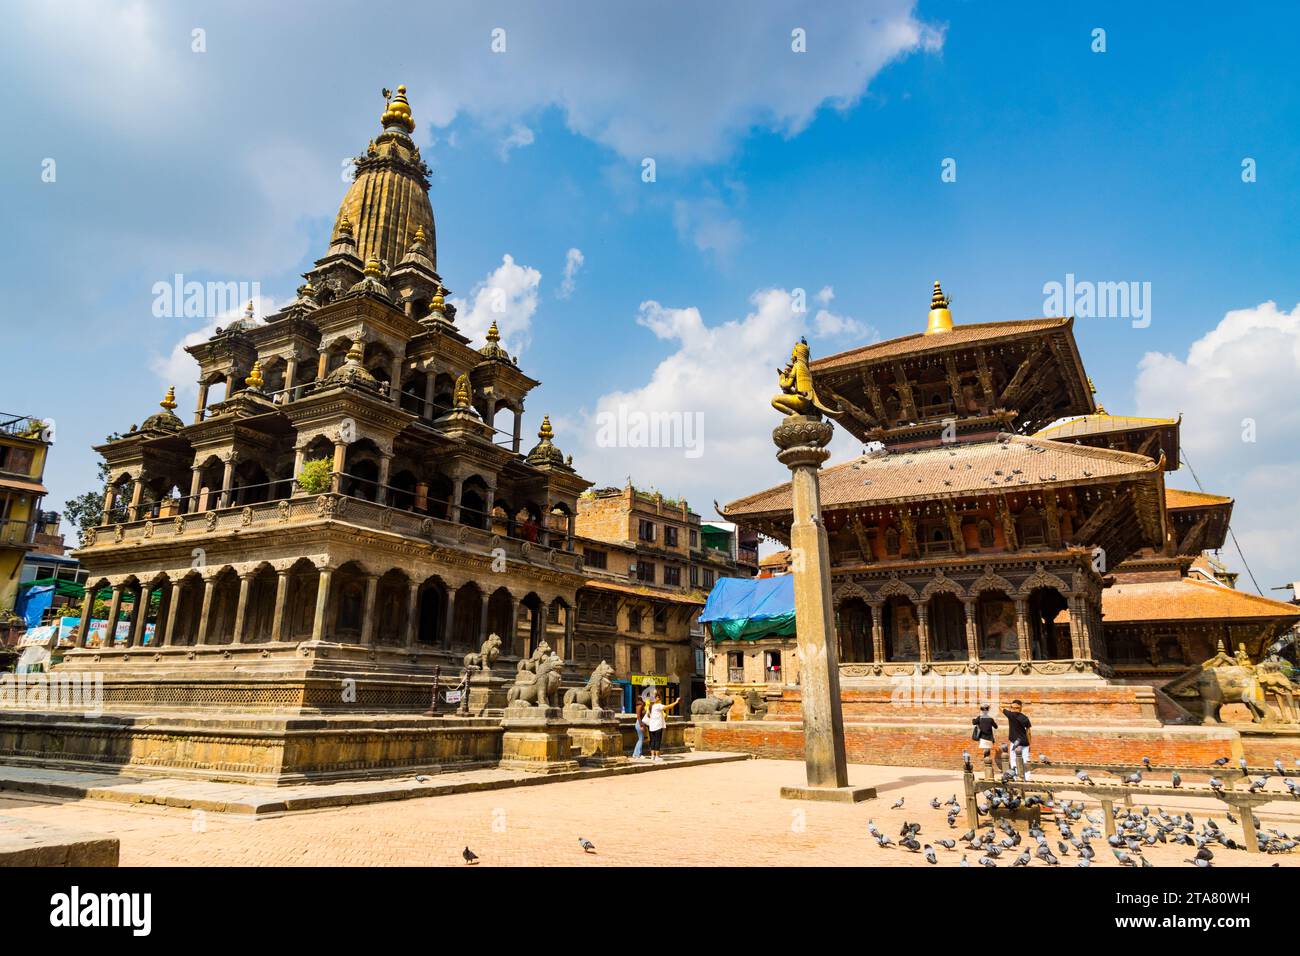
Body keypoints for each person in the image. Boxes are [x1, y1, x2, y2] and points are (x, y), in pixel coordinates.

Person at [646, 689, 680, 763]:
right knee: (657, 741)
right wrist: (676, 702)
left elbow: (648, 715)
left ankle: (652, 755)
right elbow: (669, 706)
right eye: (657, 697)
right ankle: (657, 756)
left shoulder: (650, 706)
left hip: (651, 726)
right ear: (656, 698)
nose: (658, 698)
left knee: (652, 741)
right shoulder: (658, 706)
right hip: (658, 725)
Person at [1002, 699, 1032, 779]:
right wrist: (1029, 744)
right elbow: (1028, 732)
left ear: (1020, 708)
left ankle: (1015, 778)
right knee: (1025, 761)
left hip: (1015, 742)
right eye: (1013, 708)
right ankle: (1027, 779)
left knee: (1013, 760)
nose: (1014, 710)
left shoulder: (1010, 714)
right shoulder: (1025, 718)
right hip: (1024, 742)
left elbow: (1001, 707)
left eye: (1016, 708)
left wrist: (1009, 708)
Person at [971, 703, 1000, 773]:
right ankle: (988, 767)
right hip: (989, 738)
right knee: (988, 752)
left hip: (983, 738)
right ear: (988, 710)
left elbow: (974, 722)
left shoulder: (979, 718)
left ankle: (986, 767)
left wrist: (973, 719)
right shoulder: (990, 719)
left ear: (981, 710)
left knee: (985, 752)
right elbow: (996, 726)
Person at [632, 686, 654, 759]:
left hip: (641, 723)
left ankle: (637, 753)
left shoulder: (642, 705)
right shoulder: (639, 705)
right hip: (639, 723)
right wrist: (641, 725)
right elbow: (638, 716)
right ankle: (637, 754)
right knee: (640, 739)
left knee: (641, 739)